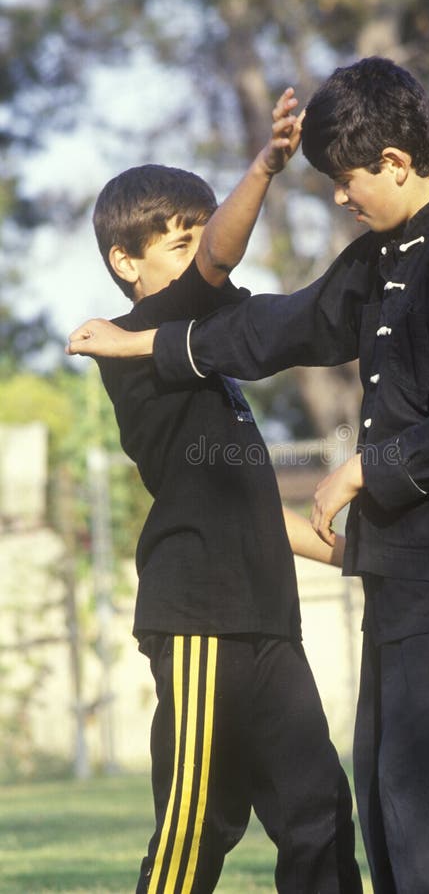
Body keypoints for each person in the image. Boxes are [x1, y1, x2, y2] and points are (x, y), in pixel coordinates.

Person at [68, 58, 429, 893]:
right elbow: (272, 320)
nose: (338, 197)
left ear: (393, 162)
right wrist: (146, 340)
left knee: (383, 801)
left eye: (345, 179)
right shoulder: (370, 261)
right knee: (335, 798)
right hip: (303, 595)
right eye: (330, 180)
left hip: (408, 580)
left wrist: (357, 488)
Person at [68, 90, 363, 894]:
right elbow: (216, 267)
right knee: (197, 827)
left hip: (267, 623)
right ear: (126, 264)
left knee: (317, 811)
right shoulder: (133, 343)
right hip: (200, 622)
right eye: (181, 242)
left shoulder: (209, 365)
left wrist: (358, 553)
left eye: (204, 233)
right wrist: (264, 168)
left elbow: (252, 511)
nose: (202, 254)